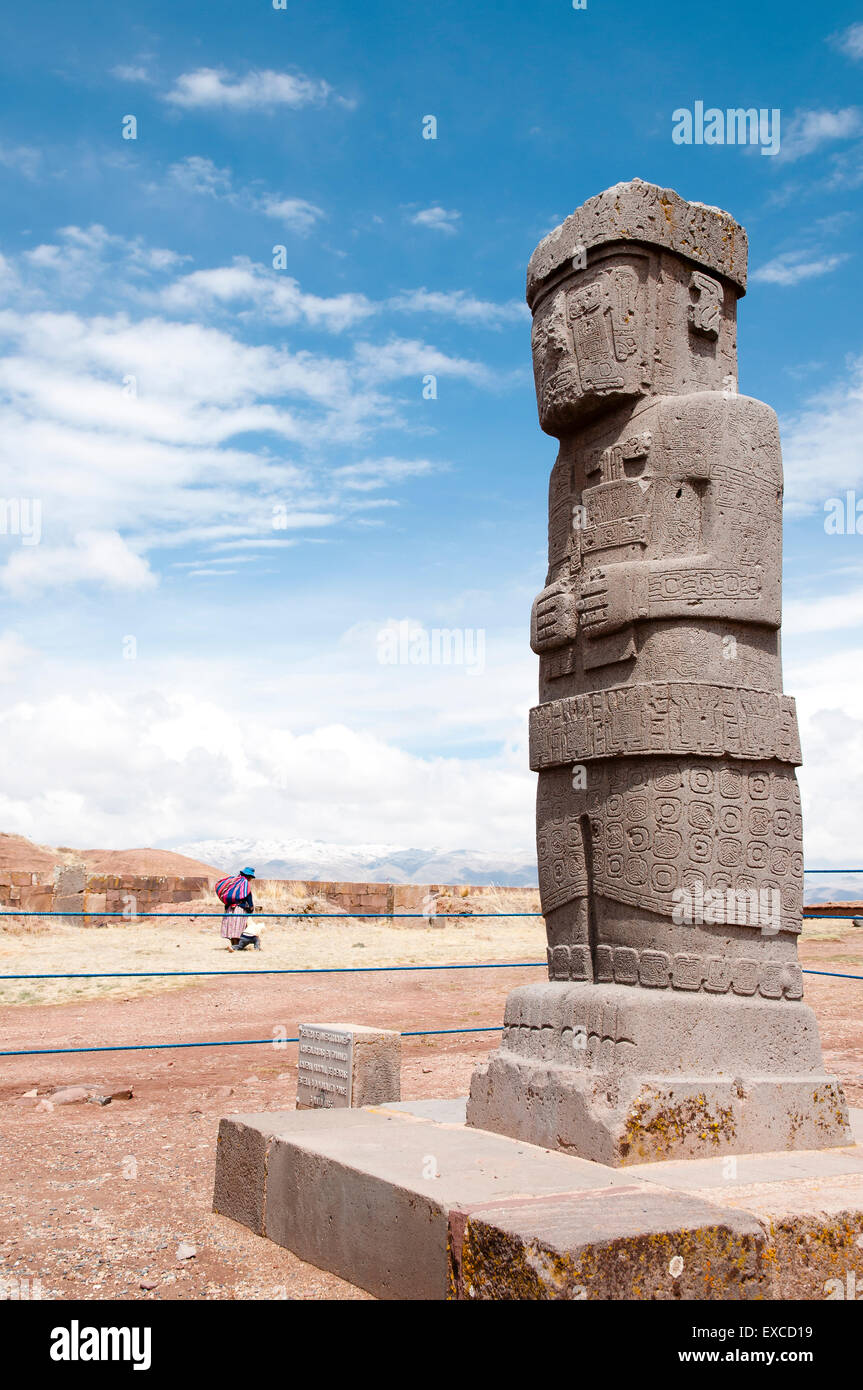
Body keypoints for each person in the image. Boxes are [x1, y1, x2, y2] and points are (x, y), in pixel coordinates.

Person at [219, 866, 261, 952]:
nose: (251, 879)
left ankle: (233, 945)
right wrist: (251, 908)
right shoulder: (245, 883)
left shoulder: (234, 881)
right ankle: (237, 946)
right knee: (237, 927)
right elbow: (248, 896)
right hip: (239, 908)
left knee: (231, 926)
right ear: (249, 876)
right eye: (251, 877)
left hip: (229, 909)